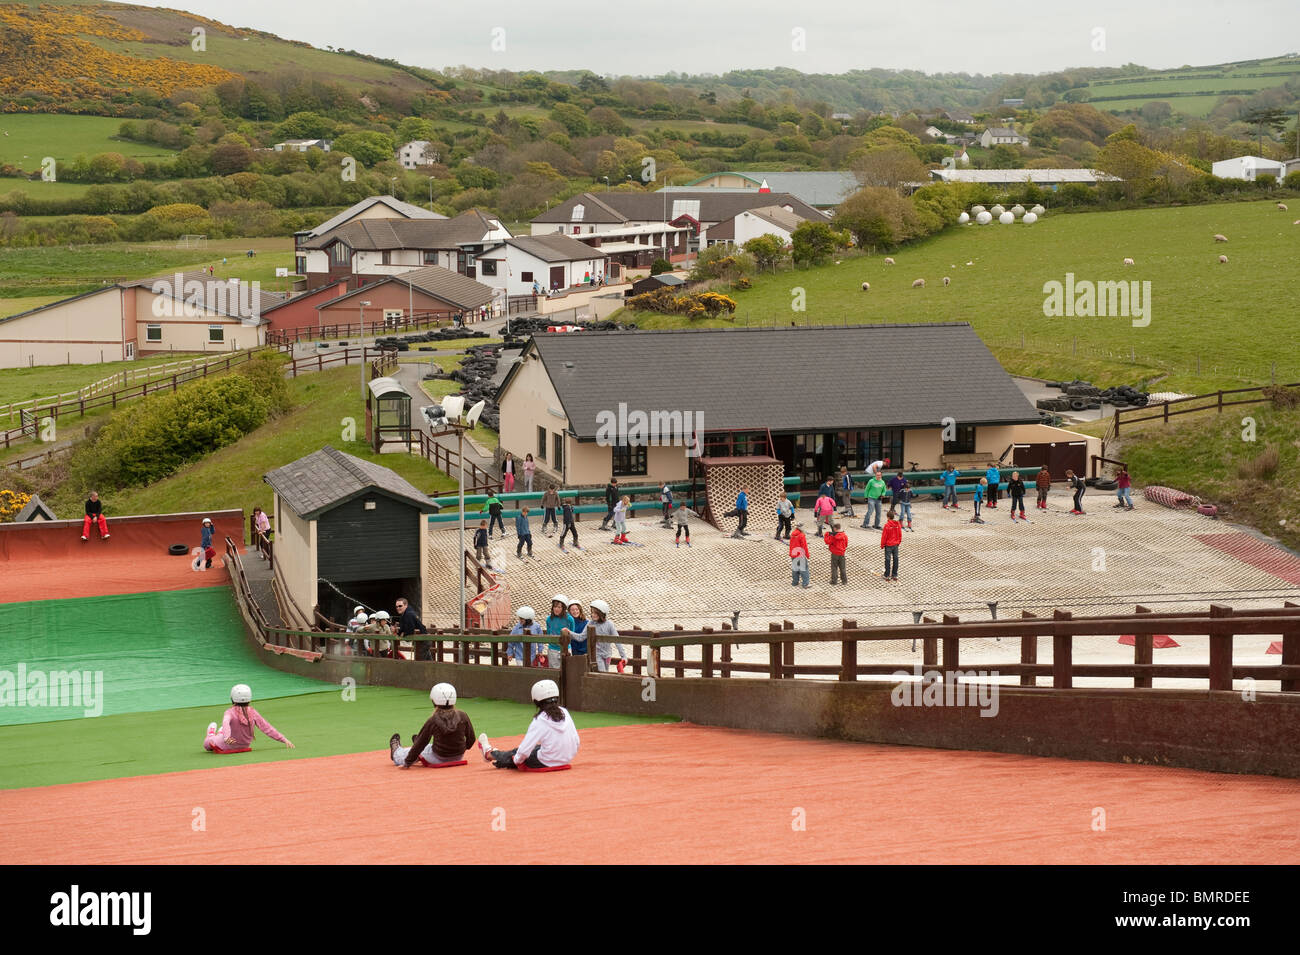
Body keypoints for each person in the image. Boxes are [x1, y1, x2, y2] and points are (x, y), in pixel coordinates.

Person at [478, 679, 580, 770]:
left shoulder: (540, 720)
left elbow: (524, 750)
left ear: (536, 701)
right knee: (535, 748)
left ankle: (490, 753)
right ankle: (497, 756)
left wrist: (515, 760)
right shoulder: (564, 712)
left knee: (516, 753)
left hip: (545, 762)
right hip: (567, 758)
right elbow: (576, 741)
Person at [390, 683, 475, 768]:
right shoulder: (463, 715)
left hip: (438, 757)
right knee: (426, 746)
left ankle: (396, 751)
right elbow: (472, 739)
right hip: (458, 757)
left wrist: (407, 763)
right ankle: (416, 744)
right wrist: (461, 749)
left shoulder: (433, 720)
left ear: (434, 701)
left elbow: (421, 743)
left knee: (410, 751)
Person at [204, 684, 293, 754]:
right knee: (221, 734)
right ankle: (217, 733)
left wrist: (227, 737)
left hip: (225, 745)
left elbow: (225, 722)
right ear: (249, 699)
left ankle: (211, 734)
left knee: (207, 744)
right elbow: (267, 727)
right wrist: (283, 739)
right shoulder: (253, 712)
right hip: (243, 745)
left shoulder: (229, 712)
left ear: (232, 699)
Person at [587, 600, 626, 673]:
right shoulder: (590, 623)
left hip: (607, 655)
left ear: (601, 613)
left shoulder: (609, 624)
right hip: (597, 654)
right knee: (602, 673)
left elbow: (617, 640)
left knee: (606, 672)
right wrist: (569, 633)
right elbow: (581, 637)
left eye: (595, 613)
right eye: (592, 612)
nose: (593, 615)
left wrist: (623, 656)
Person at [544, 595, 574, 668]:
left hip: (566, 648)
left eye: (559, 607)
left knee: (567, 670)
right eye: (555, 607)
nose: (556, 609)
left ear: (563, 608)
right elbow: (549, 633)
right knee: (554, 671)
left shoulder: (569, 619)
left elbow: (572, 633)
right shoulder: (549, 619)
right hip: (553, 649)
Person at [881, 509, 902, 581]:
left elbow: (884, 536)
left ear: (888, 517)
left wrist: (882, 545)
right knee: (896, 559)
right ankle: (894, 575)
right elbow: (900, 534)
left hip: (888, 545)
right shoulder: (898, 524)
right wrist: (898, 542)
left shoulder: (887, 525)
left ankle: (887, 575)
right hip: (895, 545)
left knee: (887, 559)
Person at [789, 524, 810, 588]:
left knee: (795, 569)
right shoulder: (801, 535)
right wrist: (807, 555)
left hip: (793, 553)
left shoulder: (792, 534)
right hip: (800, 554)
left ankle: (795, 582)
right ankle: (805, 584)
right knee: (804, 569)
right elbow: (804, 546)